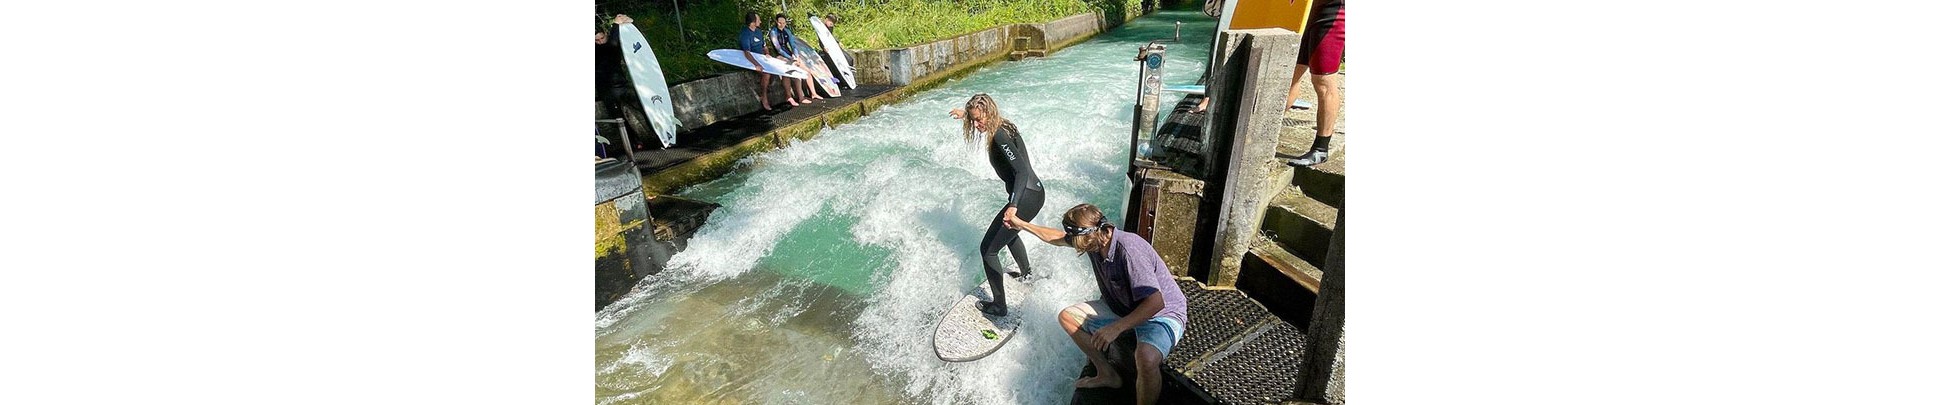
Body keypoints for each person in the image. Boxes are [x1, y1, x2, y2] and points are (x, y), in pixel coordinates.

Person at [1003, 203, 1188, 405]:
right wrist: (1020, 224)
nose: (1076, 246)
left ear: (1091, 233)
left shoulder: (1129, 250)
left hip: (1161, 314)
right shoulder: (1094, 239)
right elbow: (1056, 237)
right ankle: (1107, 374)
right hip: (1123, 307)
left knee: (1146, 358)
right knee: (1067, 317)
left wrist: (1116, 328)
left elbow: (1156, 302)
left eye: (1076, 240)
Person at [947, 94, 1044, 317]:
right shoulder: (1002, 124)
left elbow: (1021, 171)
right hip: (1034, 192)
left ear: (989, 113)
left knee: (988, 250)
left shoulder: (999, 135)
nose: (976, 124)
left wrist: (1014, 205)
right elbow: (980, 116)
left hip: (1026, 196)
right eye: (973, 120)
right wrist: (965, 115)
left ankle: (999, 305)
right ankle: (1027, 275)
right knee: (1009, 233)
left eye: (978, 119)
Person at [1283, 0, 1345, 166]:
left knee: (1323, 81)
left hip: (1334, 10)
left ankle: (1321, 149)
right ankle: (1265, 130)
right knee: (1289, 73)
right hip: (1305, 9)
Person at [596, 14, 655, 150]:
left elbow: (617, 42)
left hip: (622, 86)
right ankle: (634, 143)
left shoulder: (612, 46)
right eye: (596, 40)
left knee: (643, 108)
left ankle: (658, 133)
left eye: (602, 38)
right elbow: (611, 45)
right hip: (607, 91)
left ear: (605, 35)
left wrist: (625, 23)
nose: (600, 42)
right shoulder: (597, 50)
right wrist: (616, 24)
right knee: (619, 119)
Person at [768, 14, 822, 103]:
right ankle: (795, 97)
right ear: (776, 22)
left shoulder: (787, 31)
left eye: (784, 23)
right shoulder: (773, 32)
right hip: (779, 55)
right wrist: (790, 58)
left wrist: (796, 56)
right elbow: (778, 48)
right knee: (792, 71)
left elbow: (793, 45)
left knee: (807, 71)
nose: (782, 25)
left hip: (790, 55)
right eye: (780, 23)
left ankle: (814, 93)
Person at [738, 12, 775, 110]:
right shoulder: (745, 34)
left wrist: (767, 53)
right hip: (752, 60)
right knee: (766, 74)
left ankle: (768, 91)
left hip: (762, 58)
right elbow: (747, 53)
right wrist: (756, 65)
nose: (760, 21)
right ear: (753, 22)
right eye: (758, 20)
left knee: (775, 70)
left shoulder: (759, 32)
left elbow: (764, 46)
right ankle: (764, 97)